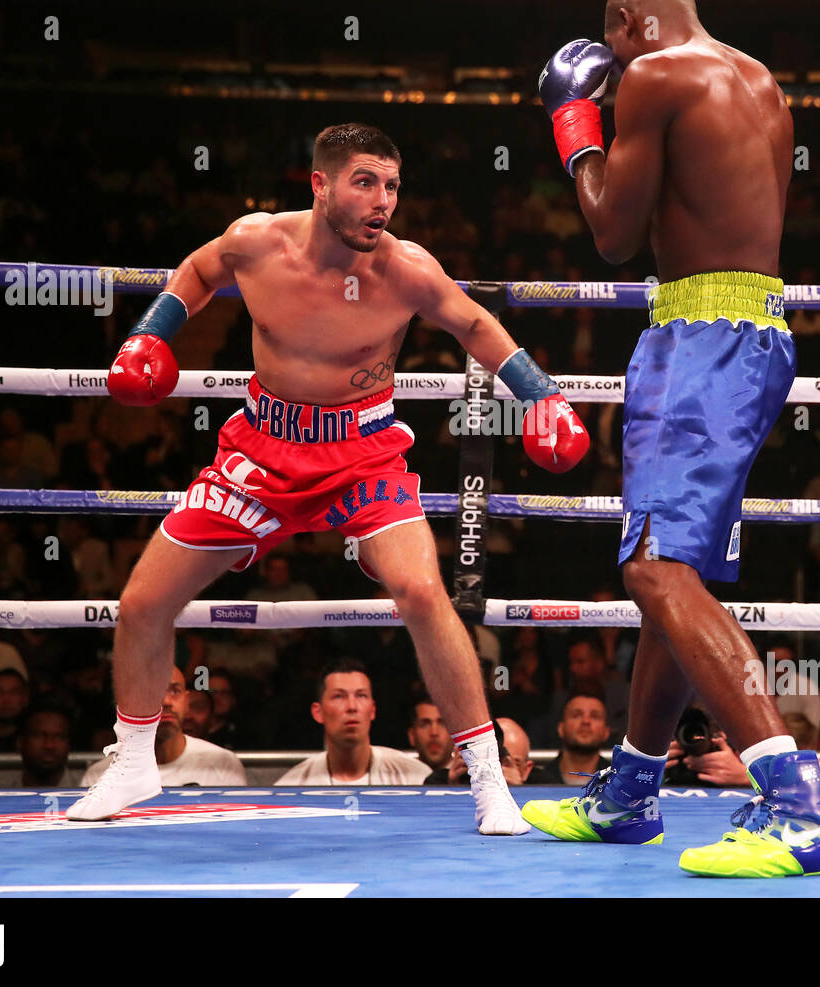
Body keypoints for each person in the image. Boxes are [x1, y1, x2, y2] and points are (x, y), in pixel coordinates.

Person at [69, 123, 589, 835]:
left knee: (422, 591)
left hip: (363, 451)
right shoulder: (256, 242)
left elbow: (473, 323)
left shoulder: (404, 268)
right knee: (141, 601)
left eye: (394, 186)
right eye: (366, 182)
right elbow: (196, 272)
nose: (384, 202)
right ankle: (132, 760)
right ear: (319, 185)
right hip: (262, 449)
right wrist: (149, 333)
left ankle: (490, 780)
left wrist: (542, 395)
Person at [520, 0, 820, 877]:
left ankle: (797, 804)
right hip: (755, 331)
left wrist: (572, 124)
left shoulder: (657, 75)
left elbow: (612, 231)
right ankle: (630, 790)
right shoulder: (758, 80)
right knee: (679, 569)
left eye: (614, 42)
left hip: (700, 336)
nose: (615, 62)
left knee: (656, 567)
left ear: (629, 24)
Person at [81, 667, 246, 788]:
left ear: (186, 702)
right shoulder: (99, 776)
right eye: (154, 692)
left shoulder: (223, 764)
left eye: (175, 691)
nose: (166, 702)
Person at [276, 659, 430, 786]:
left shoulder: (416, 778)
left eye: (361, 696)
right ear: (318, 712)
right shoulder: (291, 786)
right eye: (339, 696)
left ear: (372, 710)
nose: (352, 707)